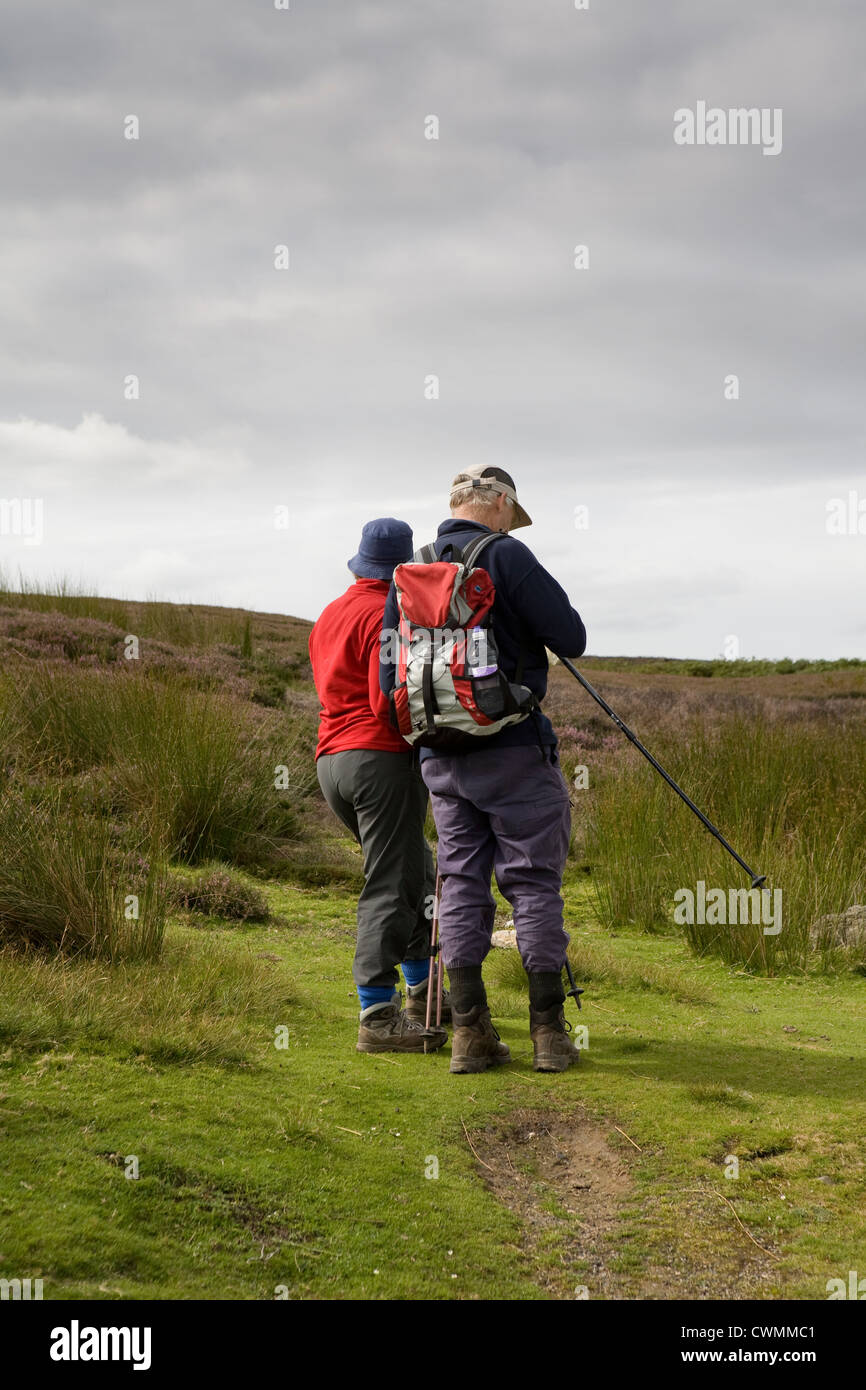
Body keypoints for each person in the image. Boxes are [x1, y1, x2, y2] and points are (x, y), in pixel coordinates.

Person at [380, 467, 587, 1073]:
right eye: (511, 511)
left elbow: (385, 676)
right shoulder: (508, 556)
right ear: (498, 503)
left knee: (461, 885)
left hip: (441, 759)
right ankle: (548, 1034)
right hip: (515, 751)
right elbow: (571, 637)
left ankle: (469, 1035)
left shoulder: (410, 570)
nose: (511, 521)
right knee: (532, 885)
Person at [309, 518, 448, 1055]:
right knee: (392, 882)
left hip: (332, 763)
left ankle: (421, 993)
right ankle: (377, 1014)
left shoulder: (331, 613)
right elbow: (381, 701)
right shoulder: (387, 615)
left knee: (415, 872)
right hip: (378, 761)